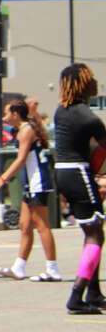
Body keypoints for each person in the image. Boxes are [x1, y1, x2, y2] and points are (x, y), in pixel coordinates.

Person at [53, 62, 106, 314]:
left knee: (90, 232)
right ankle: (77, 295)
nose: (96, 83)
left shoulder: (60, 111)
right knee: (96, 234)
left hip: (63, 172)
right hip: (79, 172)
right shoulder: (88, 116)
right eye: (92, 79)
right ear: (84, 84)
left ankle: (94, 294)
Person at [0, 99, 60, 282]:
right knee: (24, 225)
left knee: (42, 226)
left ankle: (53, 269)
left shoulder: (27, 130)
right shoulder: (23, 129)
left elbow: (20, 159)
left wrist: (2, 179)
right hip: (29, 184)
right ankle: (18, 268)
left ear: (15, 114)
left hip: (38, 182)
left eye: (7, 114)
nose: (4, 117)